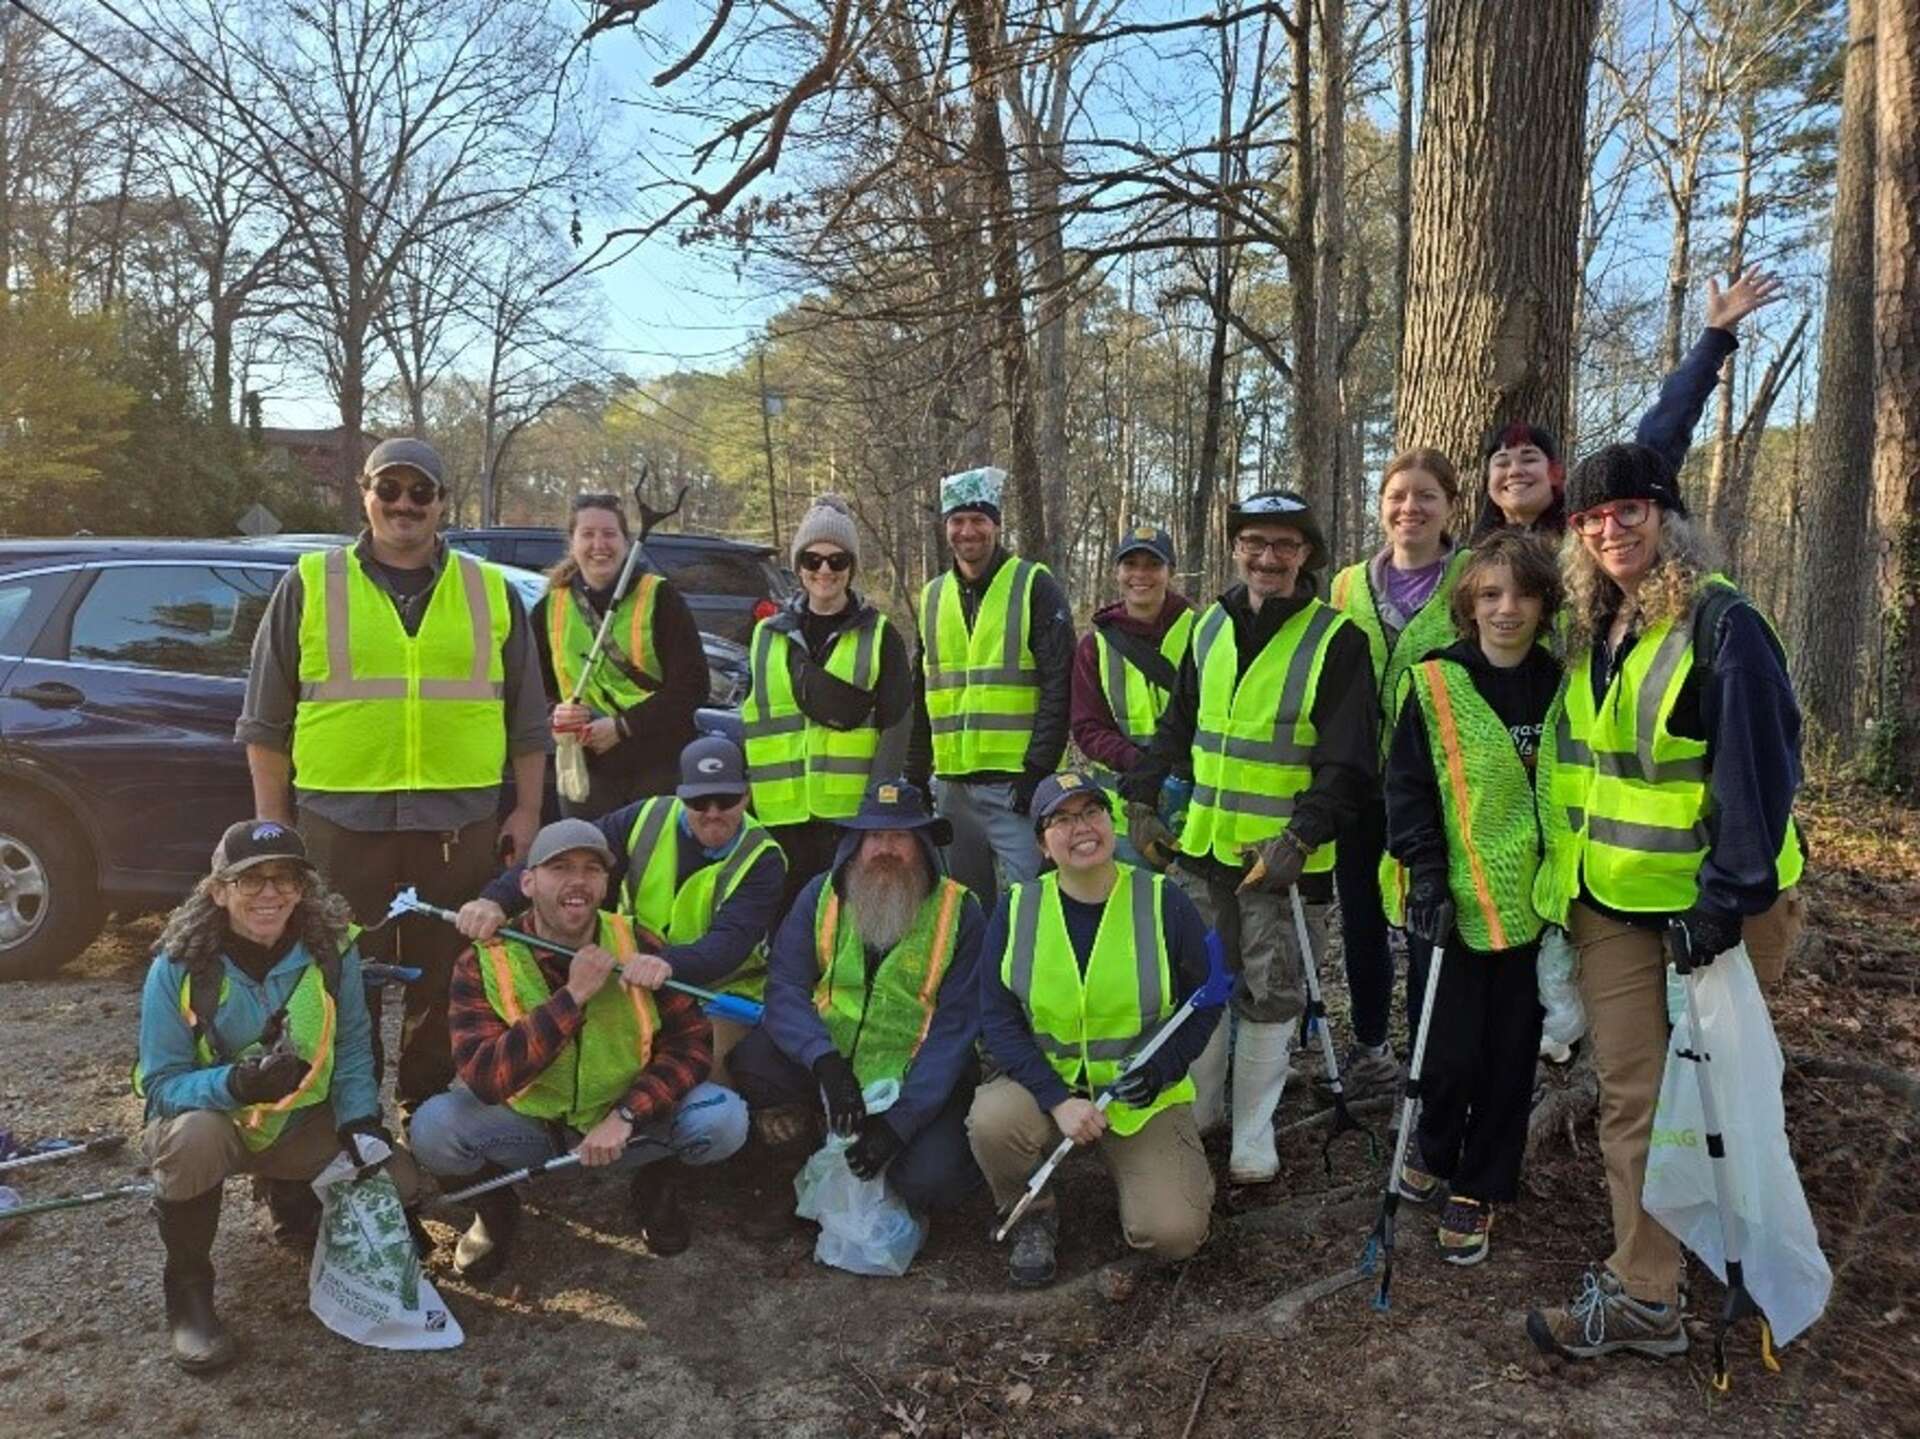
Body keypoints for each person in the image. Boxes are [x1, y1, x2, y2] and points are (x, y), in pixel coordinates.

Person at [1524, 444, 1806, 1360]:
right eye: (1593, 517)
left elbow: (1757, 772)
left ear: (1668, 516)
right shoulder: (1594, 626)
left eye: (1631, 510)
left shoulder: (1724, 624)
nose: (1611, 528)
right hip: (1613, 901)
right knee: (1633, 1094)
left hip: (1722, 907)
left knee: (1721, 1093)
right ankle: (1646, 1292)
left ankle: (1746, 1262)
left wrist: (1725, 898)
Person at [239, 437, 548, 1125]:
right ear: (365, 491)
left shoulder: (487, 589)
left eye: (420, 492)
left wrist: (526, 810)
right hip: (339, 825)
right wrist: (272, 831)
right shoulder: (312, 583)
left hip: (458, 825)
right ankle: (348, 1122)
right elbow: (264, 723)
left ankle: (428, 1114)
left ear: (441, 503)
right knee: (340, 980)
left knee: (448, 982)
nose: (404, 504)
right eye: (390, 488)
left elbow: (529, 720)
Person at [1122, 491, 1376, 1185]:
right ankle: (1202, 1108)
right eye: (1255, 543)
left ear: (1307, 555)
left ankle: (1253, 1132)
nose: (1268, 558)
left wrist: (1301, 834)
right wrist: (1140, 796)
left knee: (1272, 987)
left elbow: (1348, 759)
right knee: (1202, 977)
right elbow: (1177, 727)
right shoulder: (1207, 627)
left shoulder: (1336, 638)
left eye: (1285, 546)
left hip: (1283, 861)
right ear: (1236, 546)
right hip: (1203, 848)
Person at [134, 819, 420, 1373]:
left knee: (399, 1180)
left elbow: (356, 1045)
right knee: (194, 1136)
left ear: (302, 888)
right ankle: (189, 1291)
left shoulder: (335, 950)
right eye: (250, 880)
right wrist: (234, 1084)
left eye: (285, 878)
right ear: (218, 891)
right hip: (216, 1127)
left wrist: (361, 1120)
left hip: (296, 1125)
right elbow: (161, 1085)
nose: (270, 894)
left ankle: (295, 1199)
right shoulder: (176, 965)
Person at [411, 819, 749, 1280]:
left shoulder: (638, 941)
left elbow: (691, 1047)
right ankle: (494, 1212)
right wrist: (571, 1000)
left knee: (724, 1118)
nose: (578, 881)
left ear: (606, 884)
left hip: (624, 1127)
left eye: (592, 869)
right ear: (527, 883)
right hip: (533, 1125)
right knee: (433, 1128)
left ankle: (655, 1184)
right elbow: (483, 1076)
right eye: (560, 867)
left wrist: (626, 1115)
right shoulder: (483, 959)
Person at [1383, 533, 1564, 1267]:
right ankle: (1433, 1142)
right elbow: (1407, 789)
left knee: (1507, 1055)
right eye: (1490, 594)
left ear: (1545, 603)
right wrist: (1426, 874)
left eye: (1522, 593)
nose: (1506, 608)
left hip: (1532, 908)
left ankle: (1481, 1181)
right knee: (1446, 1049)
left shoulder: (1562, 684)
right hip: (1449, 905)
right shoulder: (1433, 684)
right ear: (1469, 604)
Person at [970, 772, 1220, 1287]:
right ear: (1042, 841)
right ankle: (1032, 1212)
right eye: (1061, 819)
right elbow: (996, 1017)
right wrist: (1056, 1098)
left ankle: (1155, 1176)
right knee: (992, 1121)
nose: (1080, 828)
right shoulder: (1018, 909)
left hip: (1138, 1098)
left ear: (1111, 823)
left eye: (1091, 813)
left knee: (1175, 1235)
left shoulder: (1161, 900)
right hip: (1047, 1090)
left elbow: (1205, 999)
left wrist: (1160, 1073)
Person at [458, 735, 785, 1086]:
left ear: (748, 795)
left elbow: (729, 945)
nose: (713, 813)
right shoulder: (644, 817)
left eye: (727, 800)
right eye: (700, 801)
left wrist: (664, 963)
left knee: (701, 1088)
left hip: (715, 992)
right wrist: (494, 900)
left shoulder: (763, 857)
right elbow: (561, 852)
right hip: (631, 975)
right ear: (680, 794)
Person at [729, 779, 985, 1223]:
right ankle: (798, 1145)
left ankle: (890, 1152)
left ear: (922, 843)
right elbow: (785, 987)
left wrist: (899, 1124)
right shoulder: (820, 896)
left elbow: (956, 1032)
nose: (885, 848)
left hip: (915, 1077)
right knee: (753, 1060)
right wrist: (823, 1061)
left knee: (931, 1182)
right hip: (832, 1064)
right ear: (854, 843)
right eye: (873, 836)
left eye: (900, 836)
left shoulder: (961, 912)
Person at [1326, 450, 1476, 1100]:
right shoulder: (1346, 584)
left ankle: (1425, 1055)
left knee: (1426, 920)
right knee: (1361, 917)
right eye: (1397, 495)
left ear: (1450, 507)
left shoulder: (1472, 578)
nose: (1409, 508)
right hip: (1360, 784)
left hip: (1437, 787)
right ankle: (1371, 1048)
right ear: (1380, 504)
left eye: (1425, 496)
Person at [1471, 268, 1785, 539]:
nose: (1514, 471)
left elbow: (1661, 430)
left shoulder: (1591, 527)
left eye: (1528, 459)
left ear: (1555, 473)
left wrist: (1714, 339)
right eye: (1501, 463)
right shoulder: (1470, 559)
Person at [907, 466, 1075, 903]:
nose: (968, 531)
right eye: (957, 521)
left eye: (979, 520)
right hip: (952, 789)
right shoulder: (932, 596)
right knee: (962, 905)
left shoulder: (1033, 585)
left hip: (1014, 787)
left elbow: (1060, 684)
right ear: (946, 527)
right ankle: (974, 974)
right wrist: (915, 773)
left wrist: (1036, 772)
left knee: (1034, 900)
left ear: (996, 525)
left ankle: (1030, 973)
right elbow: (921, 694)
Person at [742, 494, 913, 912]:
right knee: (782, 925)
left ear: (851, 568)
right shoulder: (766, 635)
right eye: (812, 560)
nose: (824, 571)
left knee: (843, 923)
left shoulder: (879, 634)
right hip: (778, 815)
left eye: (837, 561)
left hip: (848, 816)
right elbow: (750, 718)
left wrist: (878, 808)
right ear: (799, 565)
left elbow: (896, 725)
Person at [535, 492, 711, 816]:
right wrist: (555, 714)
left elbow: (694, 685)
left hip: (658, 765)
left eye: (609, 534)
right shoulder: (549, 608)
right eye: (587, 534)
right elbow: (534, 690)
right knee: (590, 862)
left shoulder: (660, 597)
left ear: (626, 542)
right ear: (572, 543)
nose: (599, 544)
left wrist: (622, 727)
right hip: (586, 774)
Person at [1069, 525, 1198, 869]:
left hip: (1197, 802)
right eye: (1130, 564)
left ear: (1170, 570)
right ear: (1117, 572)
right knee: (1134, 911)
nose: (1140, 575)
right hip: (1123, 808)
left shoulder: (1204, 632)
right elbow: (1087, 727)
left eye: (1152, 565)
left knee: (1192, 914)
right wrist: (1140, 765)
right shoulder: (1094, 647)